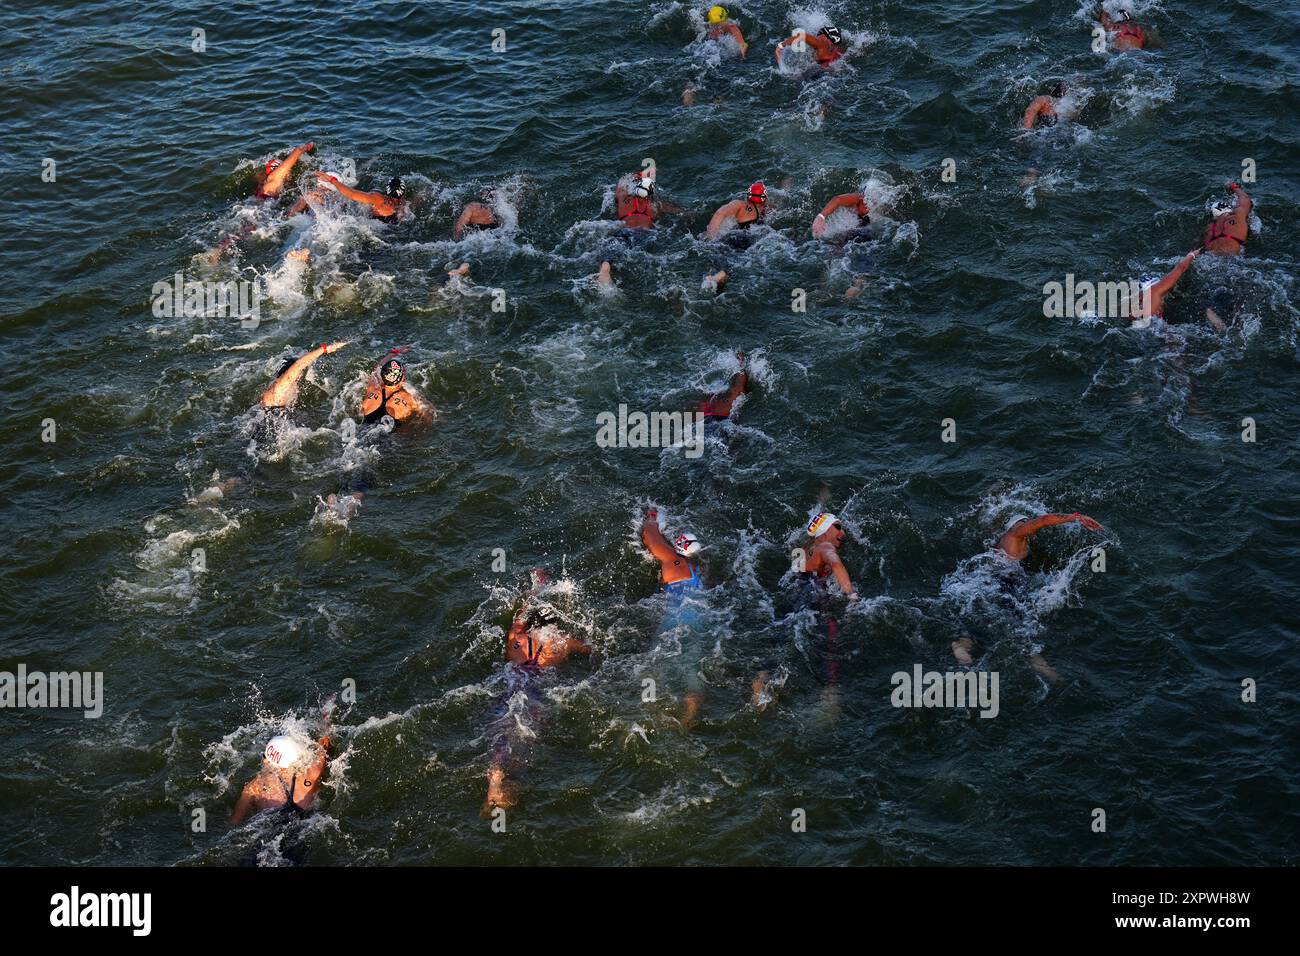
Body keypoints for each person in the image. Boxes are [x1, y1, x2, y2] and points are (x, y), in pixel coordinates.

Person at [483, 569, 592, 814]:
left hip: (511, 683)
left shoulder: (515, 637)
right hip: (535, 690)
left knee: (504, 727)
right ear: (552, 626)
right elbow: (592, 648)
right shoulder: (561, 642)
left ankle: (496, 777)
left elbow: (523, 613)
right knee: (526, 733)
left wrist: (537, 587)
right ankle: (502, 781)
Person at [951, 512, 1103, 682]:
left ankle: (963, 645)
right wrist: (1075, 517)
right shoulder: (1017, 533)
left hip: (992, 580)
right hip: (1008, 583)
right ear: (1019, 524)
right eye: (1025, 523)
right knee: (1023, 628)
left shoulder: (1002, 541)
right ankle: (1047, 671)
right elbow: (1043, 521)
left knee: (988, 617)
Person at [641, 508, 711, 727]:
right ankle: (690, 708)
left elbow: (649, 536)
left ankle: (648, 706)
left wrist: (652, 517)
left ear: (677, 547)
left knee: (652, 663)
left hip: (676, 616)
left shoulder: (671, 560)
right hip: (698, 616)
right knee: (691, 665)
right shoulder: (697, 568)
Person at [231, 732, 330, 824]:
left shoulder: (253, 788)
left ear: (267, 759)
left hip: (265, 836)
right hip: (303, 831)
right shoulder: (309, 778)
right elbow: (324, 747)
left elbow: (235, 822)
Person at [259, 341, 349, 411]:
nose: (298, 375)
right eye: (297, 373)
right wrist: (325, 349)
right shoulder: (280, 386)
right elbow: (299, 364)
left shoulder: (273, 388)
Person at [359, 349, 434, 426]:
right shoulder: (408, 397)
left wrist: (393, 353)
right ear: (402, 377)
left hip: (361, 431)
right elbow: (429, 412)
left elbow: (377, 367)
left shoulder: (372, 388)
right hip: (389, 436)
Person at [1129, 249, 1199, 328]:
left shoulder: (1132, 301)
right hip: (1155, 323)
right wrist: (1192, 254)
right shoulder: (1155, 292)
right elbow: (1181, 267)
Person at [312, 171, 406, 221]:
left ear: (387, 189)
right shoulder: (403, 205)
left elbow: (351, 194)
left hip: (372, 227)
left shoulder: (378, 199)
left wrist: (331, 179)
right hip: (390, 228)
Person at [1201, 182, 1252, 258]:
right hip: (1234, 258)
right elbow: (1245, 199)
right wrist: (1234, 187)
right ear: (1229, 209)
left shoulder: (1208, 229)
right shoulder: (1238, 215)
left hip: (1212, 260)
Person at [697, 351, 749, 421]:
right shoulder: (732, 394)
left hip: (705, 421)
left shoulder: (707, 400)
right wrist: (741, 363)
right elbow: (739, 382)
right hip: (723, 420)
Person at [775, 25, 846, 68]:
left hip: (818, 74)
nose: (818, 36)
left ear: (825, 36)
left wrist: (780, 46)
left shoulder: (821, 44)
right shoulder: (839, 51)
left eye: (820, 35)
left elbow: (802, 36)